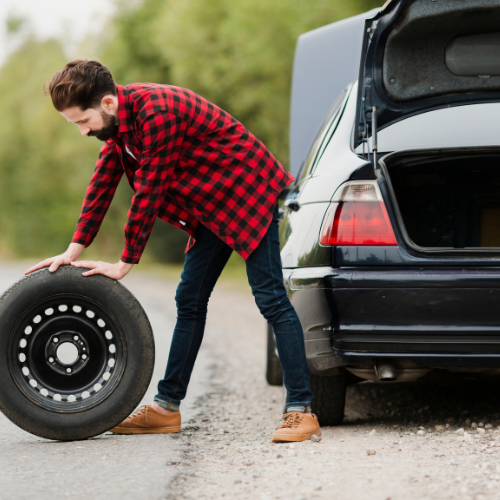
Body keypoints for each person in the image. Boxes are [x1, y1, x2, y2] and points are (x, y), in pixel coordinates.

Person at [26, 60, 321, 443]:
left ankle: (301, 410)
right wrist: (72, 250)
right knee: (190, 299)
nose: (83, 131)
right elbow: (101, 185)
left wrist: (125, 262)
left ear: (108, 104)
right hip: (213, 205)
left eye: (83, 121)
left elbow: (150, 190)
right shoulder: (119, 128)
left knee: (270, 299)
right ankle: (166, 409)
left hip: (247, 190)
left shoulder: (157, 112)